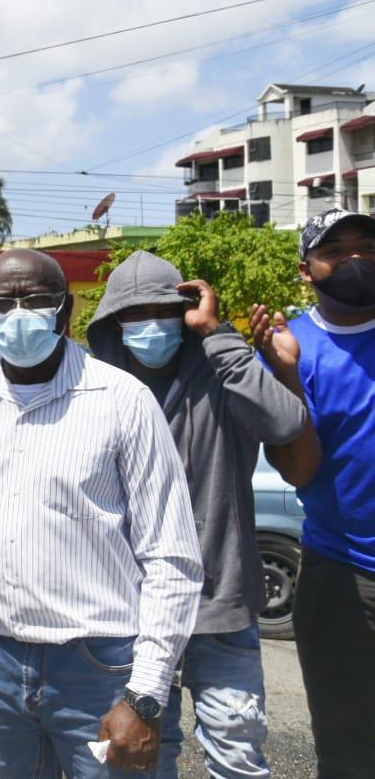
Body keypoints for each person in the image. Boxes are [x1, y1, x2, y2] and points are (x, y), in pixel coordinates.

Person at [0, 249, 203, 778]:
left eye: (36, 300)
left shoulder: (122, 400)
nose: (18, 315)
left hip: (103, 667)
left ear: (65, 311)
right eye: (3, 304)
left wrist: (145, 693)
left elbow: (171, 557)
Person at [86, 253, 307, 779]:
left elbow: (285, 424)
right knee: (138, 760)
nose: (151, 325)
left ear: (185, 313)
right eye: (135, 314)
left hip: (219, 603)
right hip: (130, 612)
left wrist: (219, 337)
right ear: (114, 322)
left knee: (238, 757)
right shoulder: (97, 391)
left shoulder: (223, 374)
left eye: (163, 311)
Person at [250, 209, 375, 779]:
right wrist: (288, 377)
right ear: (307, 270)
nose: (356, 259)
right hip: (345, 577)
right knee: (350, 751)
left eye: (367, 245)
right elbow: (300, 472)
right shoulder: (287, 348)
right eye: (336, 251)